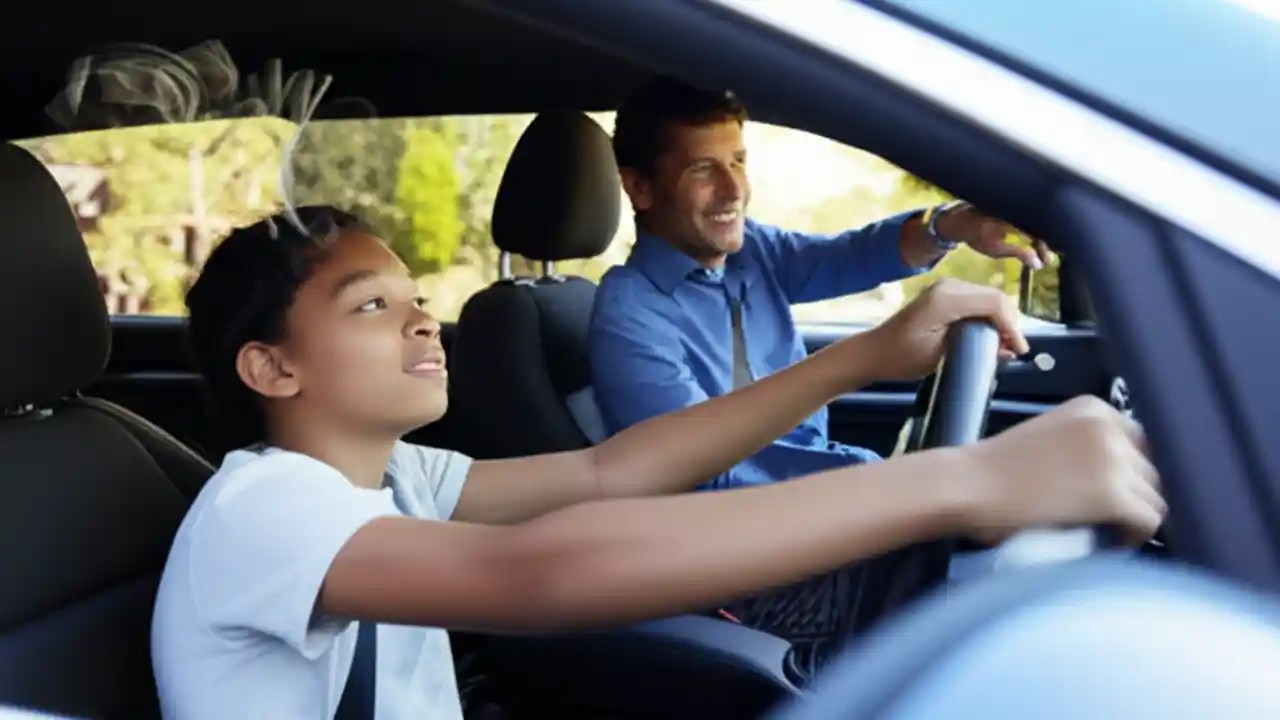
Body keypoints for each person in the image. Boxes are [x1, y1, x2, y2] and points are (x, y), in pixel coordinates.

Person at [151, 206, 1163, 719]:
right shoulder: (263, 509)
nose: (422, 315)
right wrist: (965, 480)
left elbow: (613, 474)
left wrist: (867, 353)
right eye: (371, 304)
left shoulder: (400, 481)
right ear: (271, 366)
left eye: (414, 292)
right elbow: (534, 574)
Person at [589, 77, 1055, 491]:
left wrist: (957, 225)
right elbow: (697, 478)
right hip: (755, 547)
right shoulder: (629, 312)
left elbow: (852, 254)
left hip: (821, 496)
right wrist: (868, 483)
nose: (734, 189)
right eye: (703, 170)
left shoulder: (752, 252)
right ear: (640, 189)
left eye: (738, 161)